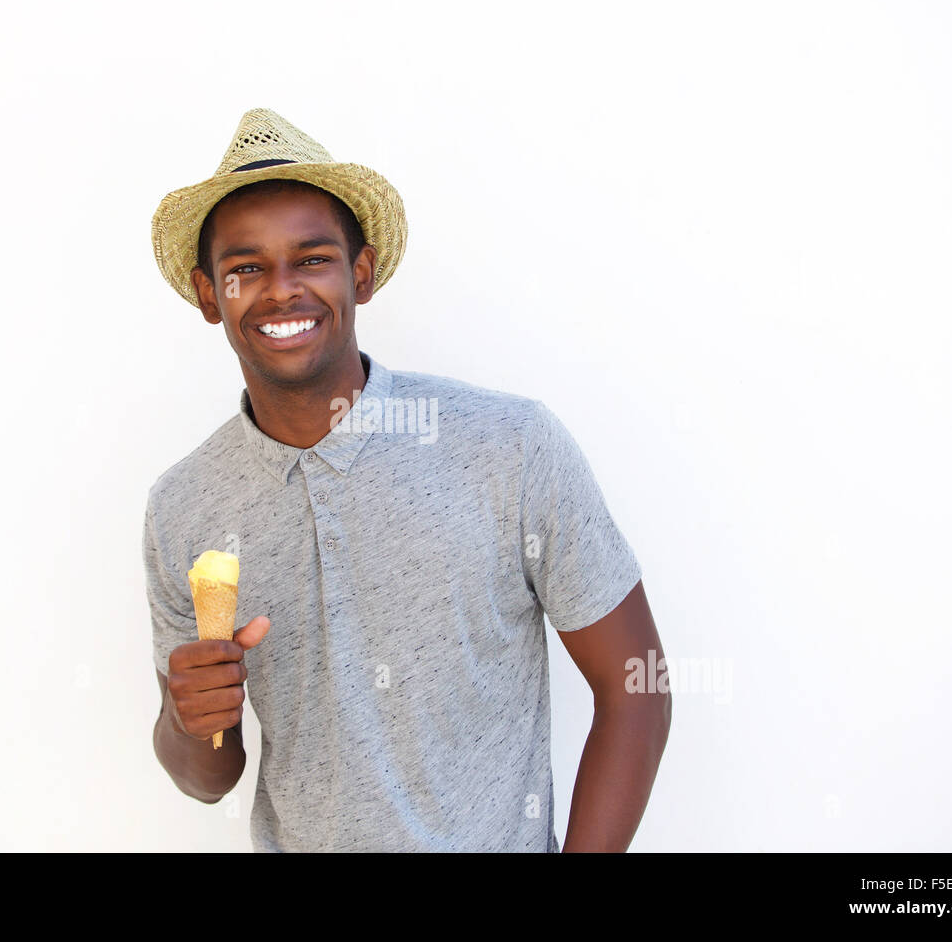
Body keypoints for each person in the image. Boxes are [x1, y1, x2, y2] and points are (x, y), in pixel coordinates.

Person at [143, 107, 671, 852]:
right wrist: (186, 715)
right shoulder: (184, 508)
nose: (281, 290)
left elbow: (638, 688)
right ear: (208, 295)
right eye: (246, 268)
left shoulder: (510, 448)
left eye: (313, 259)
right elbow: (206, 777)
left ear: (360, 274)